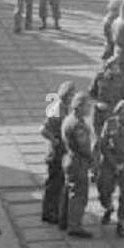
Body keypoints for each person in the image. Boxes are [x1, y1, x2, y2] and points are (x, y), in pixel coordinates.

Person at [96, 100, 124, 236]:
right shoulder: (109, 123)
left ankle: (121, 222)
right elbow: (103, 145)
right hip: (110, 161)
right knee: (104, 188)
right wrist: (114, 163)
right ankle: (108, 207)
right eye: (122, 112)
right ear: (117, 112)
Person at [41, 83, 76, 226]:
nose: (73, 96)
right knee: (54, 184)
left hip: (64, 151)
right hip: (56, 153)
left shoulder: (67, 108)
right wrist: (54, 140)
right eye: (71, 93)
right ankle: (49, 213)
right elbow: (43, 129)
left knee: (60, 183)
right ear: (66, 94)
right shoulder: (57, 108)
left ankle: (56, 211)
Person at [61, 94, 95, 239]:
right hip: (78, 162)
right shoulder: (77, 125)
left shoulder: (70, 119)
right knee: (79, 195)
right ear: (79, 107)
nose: (90, 109)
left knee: (69, 192)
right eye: (87, 106)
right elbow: (83, 147)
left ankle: (64, 221)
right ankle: (75, 226)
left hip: (70, 159)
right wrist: (92, 160)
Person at [90, 57, 124, 139]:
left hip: (113, 113)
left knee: (112, 139)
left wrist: (119, 109)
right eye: (113, 68)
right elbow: (92, 93)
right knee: (98, 138)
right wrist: (97, 103)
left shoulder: (121, 79)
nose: (115, 70)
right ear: (107, 68)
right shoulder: (99, 77)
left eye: (117, 68)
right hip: (99, 113)